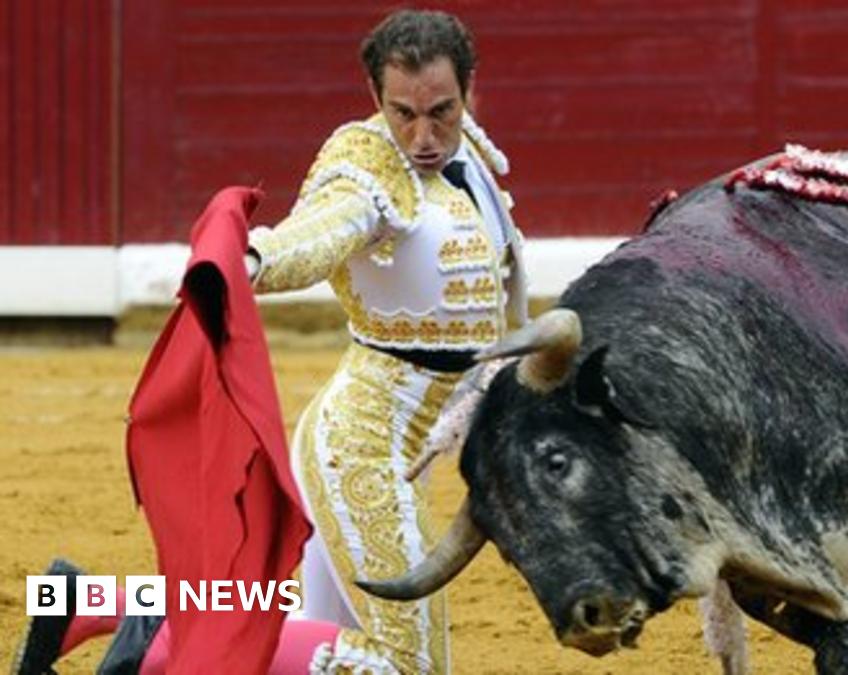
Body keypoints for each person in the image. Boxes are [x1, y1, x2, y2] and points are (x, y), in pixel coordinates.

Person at [13, 9, 526, 674]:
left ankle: (89, 599)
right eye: (402, 113)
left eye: (442, 111)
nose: (423, 135)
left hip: (405, 449)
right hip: (360, 451)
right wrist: (251, 261)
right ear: (375, 97)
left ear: (470, 90)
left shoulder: (473, 156)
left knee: (288, 621)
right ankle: (153, 634)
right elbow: (321, 232)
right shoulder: (365, 170)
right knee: (407, 666)